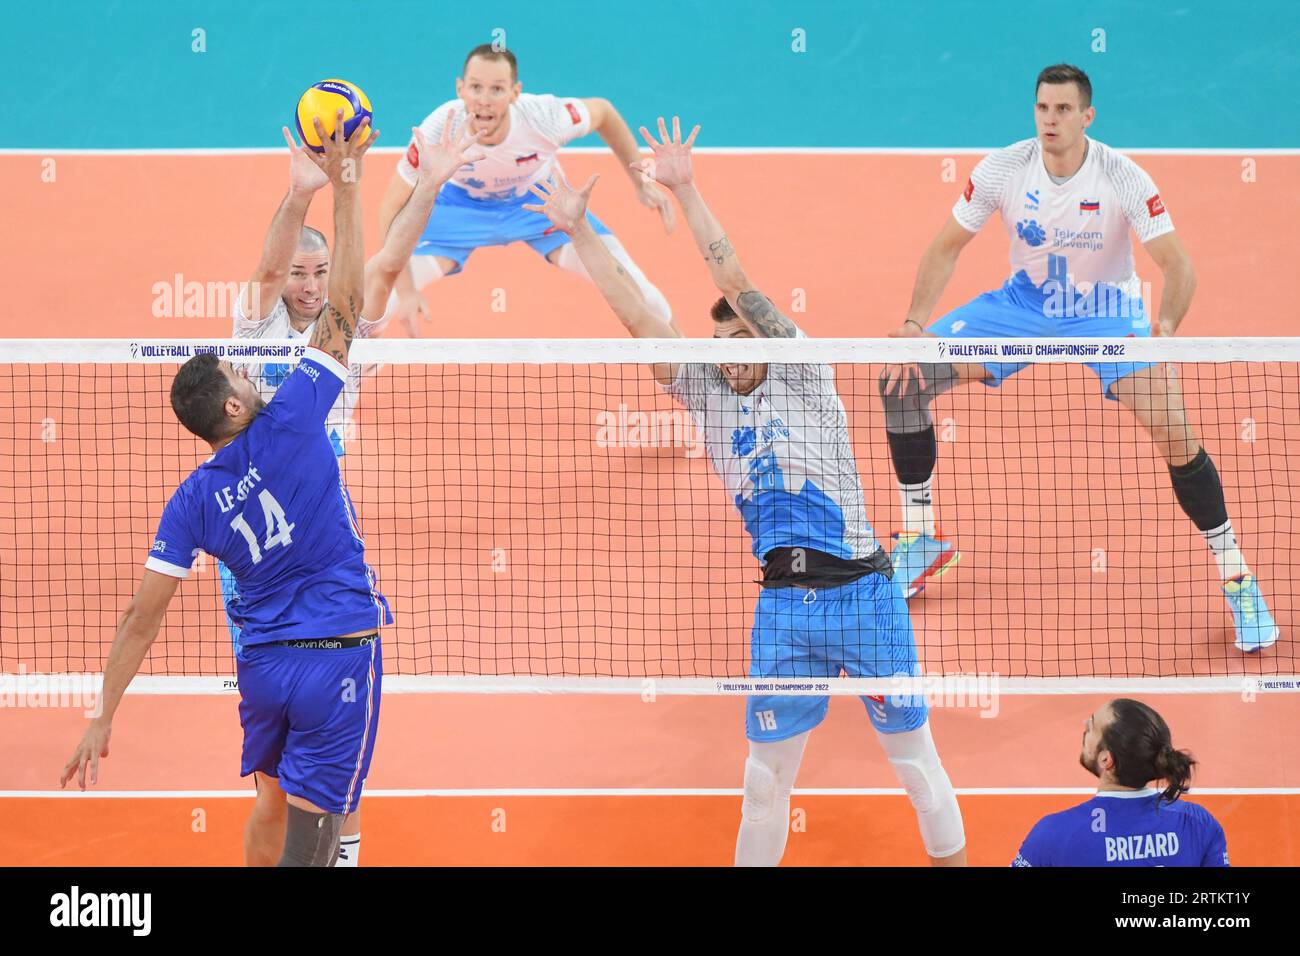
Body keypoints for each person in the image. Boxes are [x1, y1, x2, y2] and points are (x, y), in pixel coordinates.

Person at [523, 117, 967, 867]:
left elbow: (733, 280)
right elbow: (639, 317)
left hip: (865, 596)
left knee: (915, 767)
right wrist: (582, 233)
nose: (729, 361)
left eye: (740, 346)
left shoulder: (803, 370)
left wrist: (687, 190)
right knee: (763, 782)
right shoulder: (708, 392)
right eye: (720, 351)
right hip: (783, 610)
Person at [880, 63, 1278, 653]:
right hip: (1025, 305)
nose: (1051, 120)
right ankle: (920, 539)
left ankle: (1239, 578)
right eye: (1043, 108)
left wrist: (1164, 330)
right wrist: (914, 323)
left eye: (1064, 110)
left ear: (1087, 116)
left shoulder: (1122, 177)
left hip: (1108, 312)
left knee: (1175, 434)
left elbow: (1179, 267)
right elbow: (946, 246)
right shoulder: (1003, 168)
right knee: (903, 385)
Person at [213, 114, 484, 866]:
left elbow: (388, 261)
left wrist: (427, 182)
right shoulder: (255, 335)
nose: (306, 285)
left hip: (327, 565)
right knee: (269, 781)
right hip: (254, 575)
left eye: (318, 274)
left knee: (338, 750)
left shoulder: (344, 344)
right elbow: (268, 271)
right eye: (299, 274)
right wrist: (303, 191)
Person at [380, 43, 675, 336]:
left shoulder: (543, 118)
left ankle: (695, 376)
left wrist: (642, 182)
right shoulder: (435, 132)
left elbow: (604, 113)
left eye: (497, 89)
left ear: (515, 92)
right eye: (476, 87)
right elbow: (392, 207)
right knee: (376, 301)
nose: (484, 99)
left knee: (644, 297)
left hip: (542, 205)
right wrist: (406, 292)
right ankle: (347, 380)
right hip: (458, 211)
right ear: (460, 89)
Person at [1013, 698, 1229, 866]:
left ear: (1106, 760)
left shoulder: (1053, 834)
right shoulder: (1199, 823)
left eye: (1092, 727)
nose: (1084, 724)